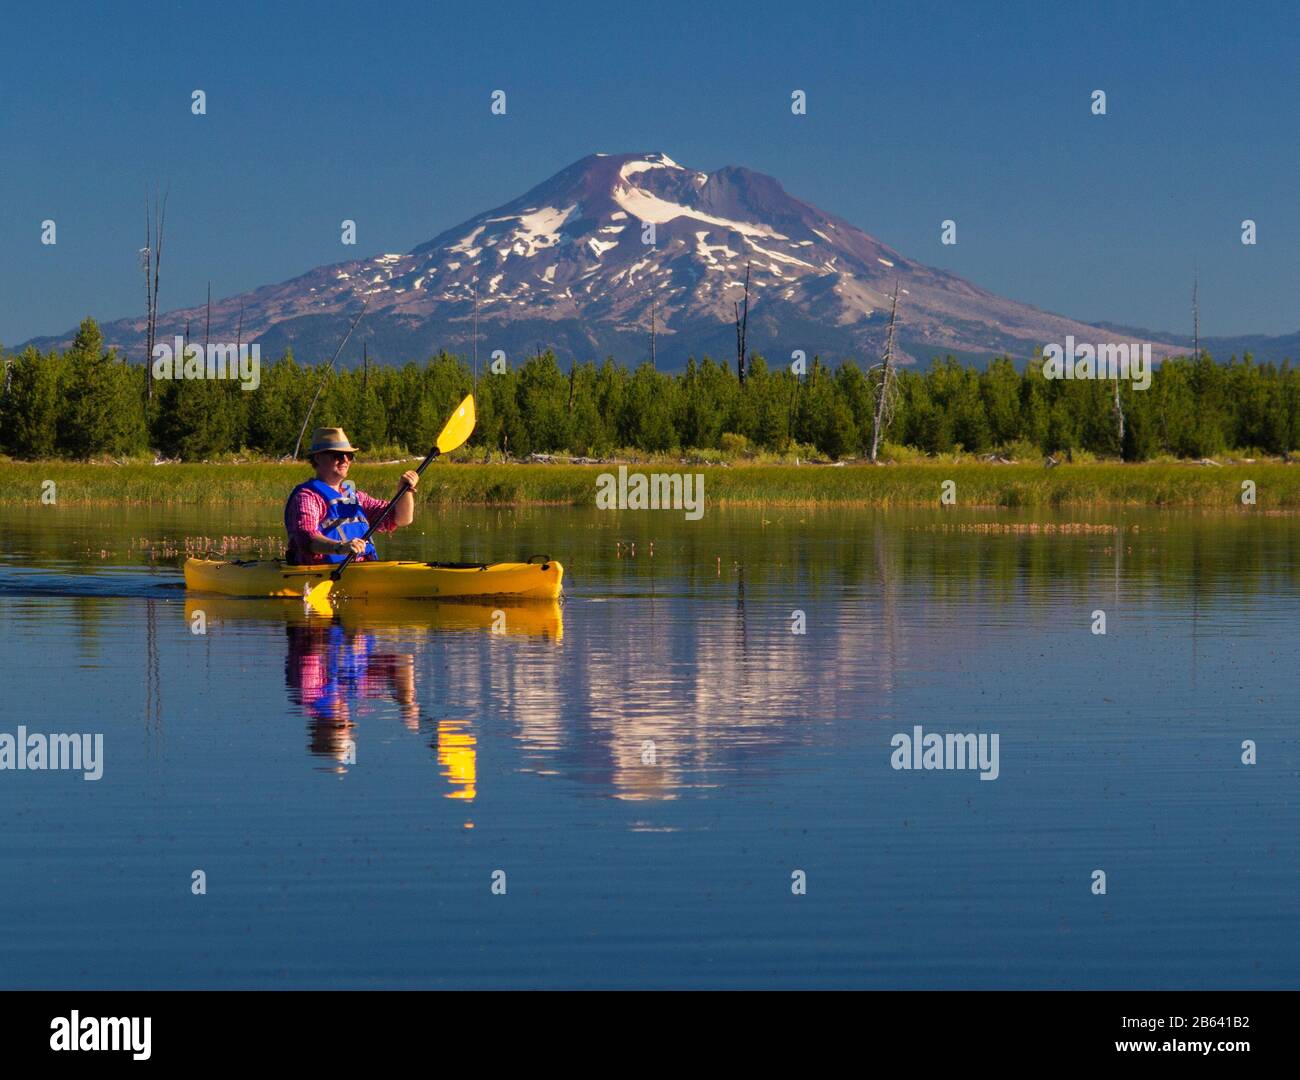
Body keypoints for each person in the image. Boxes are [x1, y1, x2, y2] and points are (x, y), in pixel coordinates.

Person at [284, 427, 420, 565]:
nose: (345, 460)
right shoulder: (307, 497)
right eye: (337, 455)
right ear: (318, 458)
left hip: (359, 569)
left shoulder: (353, 495)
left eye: (349, 455)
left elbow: (401, 519)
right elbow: (306, 538)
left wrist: (405, 491)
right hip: (321, 572)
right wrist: (341, 547)